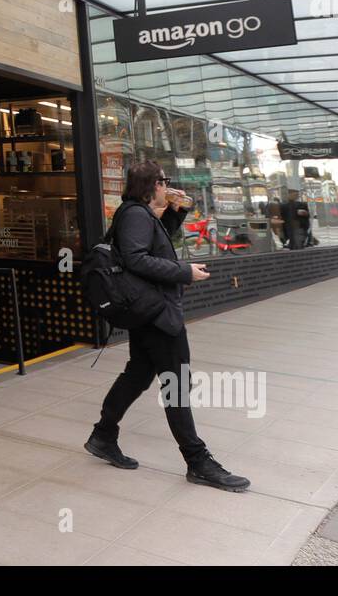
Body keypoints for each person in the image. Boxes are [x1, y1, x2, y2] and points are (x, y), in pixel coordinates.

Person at [85, 161, 251, 492]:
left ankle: (103, 435)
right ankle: (198, 461)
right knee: (176, 385)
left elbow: (156, 244)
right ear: (151, 184)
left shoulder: (141, 214)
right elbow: (136, 259)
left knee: (137, 376)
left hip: (150, 311)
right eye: (164, 181)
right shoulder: (134, 214)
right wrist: (184, 272)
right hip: (157, 313)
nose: (168, 185)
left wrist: (178, 211)